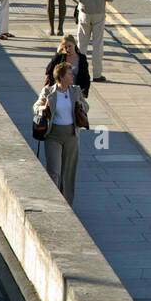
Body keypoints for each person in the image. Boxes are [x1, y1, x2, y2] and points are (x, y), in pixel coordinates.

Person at [33, 61, 88, 205]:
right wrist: (42, 109)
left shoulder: (75, 90)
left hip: (71, 135)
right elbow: (35, 107)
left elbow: (86, 107)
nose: (72, 76)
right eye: (69, 74)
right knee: (54, 171)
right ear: (62, 77)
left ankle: (67, 202)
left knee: (68, 172)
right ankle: (54, 202)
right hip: (53, 135)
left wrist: (80, 104)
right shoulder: (48, 91)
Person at [70, 0, 115, 83]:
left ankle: (79, 72)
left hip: (84, 13)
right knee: (97, 45)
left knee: (81, 44)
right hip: (99, 14)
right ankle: (97, 74)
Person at [46, 34, 92, 99]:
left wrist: (84, 92)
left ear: (74, 44)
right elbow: (49, 70)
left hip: (76, 93)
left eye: (70, 46)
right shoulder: (60, 57)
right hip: (60, 91)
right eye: (65, 47)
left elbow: (86, 77)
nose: (67, 49)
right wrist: (57, 54)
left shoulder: (82, 58)